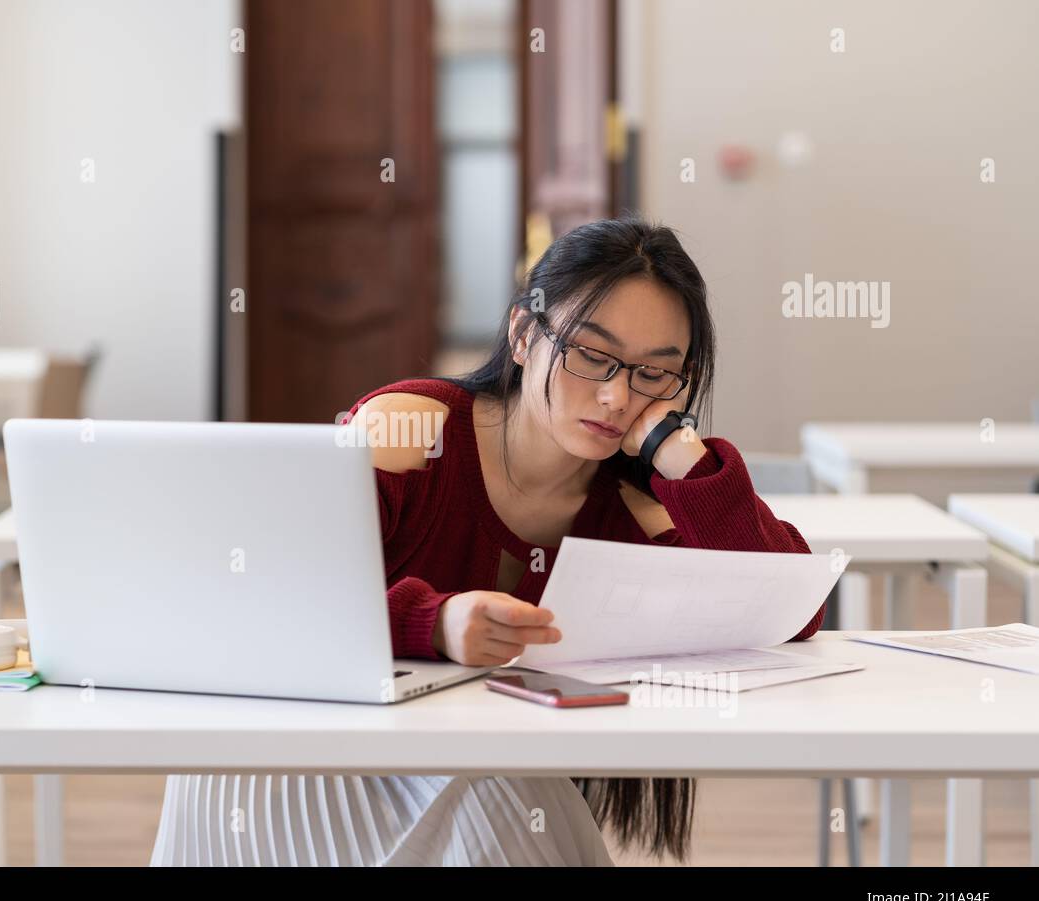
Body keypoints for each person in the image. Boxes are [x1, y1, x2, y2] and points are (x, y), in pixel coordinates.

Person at [150, 217, 824, 866]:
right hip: (301, 757)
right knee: (505, 792)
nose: (618, 398)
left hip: (477, 780)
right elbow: (264, 597)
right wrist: (431, 622)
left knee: (505, 789)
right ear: (525, 336)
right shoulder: (411, 432)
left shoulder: (638, 500)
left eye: (654, 373)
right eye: (592, 355)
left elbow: (794, 613)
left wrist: (692, 465)